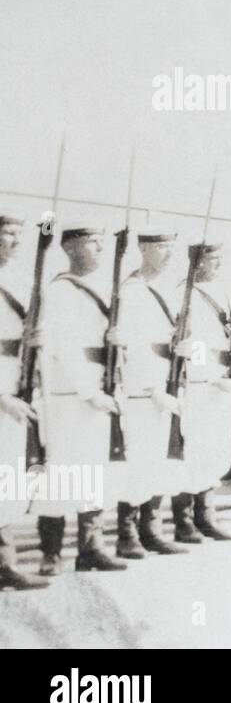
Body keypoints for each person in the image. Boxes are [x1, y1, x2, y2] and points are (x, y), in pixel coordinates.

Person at [33, 225, 128, 575]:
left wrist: (119, 341)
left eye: (103, 243)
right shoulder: (60, 290)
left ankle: (90, 548)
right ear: (71, 247)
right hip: (69, 395)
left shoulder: (105, 289)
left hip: (98, 393)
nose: (101, 249)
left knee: (94, 471)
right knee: (60, 473)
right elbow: (63, 347)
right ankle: (51, 552)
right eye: (93, 243)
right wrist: (89, 392)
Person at [114, 230, 187, 559]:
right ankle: (126, 534)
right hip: (145, 390)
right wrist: (152, 389)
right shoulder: (132, 291)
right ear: (143, 248)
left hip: (169, 384)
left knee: (159, 460)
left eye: (171, 246)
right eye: (161, 246)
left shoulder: (171, 289)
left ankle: (151, 529)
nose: (168, 253)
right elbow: (130, 347)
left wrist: (189, 352)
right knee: (138, 460)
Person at [176, 242, 231, 541]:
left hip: (223, 380)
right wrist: (212, 377)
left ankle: (206, 516)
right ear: (198, 263)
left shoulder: (224, 293)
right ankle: (185, 521)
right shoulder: (186, 293)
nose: (219, 265)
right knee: (195, 450)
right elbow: (192, 342)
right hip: (200, 383)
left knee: (216, 450)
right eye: (214, 259)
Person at [0, 214, 47, 589]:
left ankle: (4, 562)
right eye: (7, 234)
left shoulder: (18, 282)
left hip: (15, 391)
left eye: (19, 235)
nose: (15, 241)